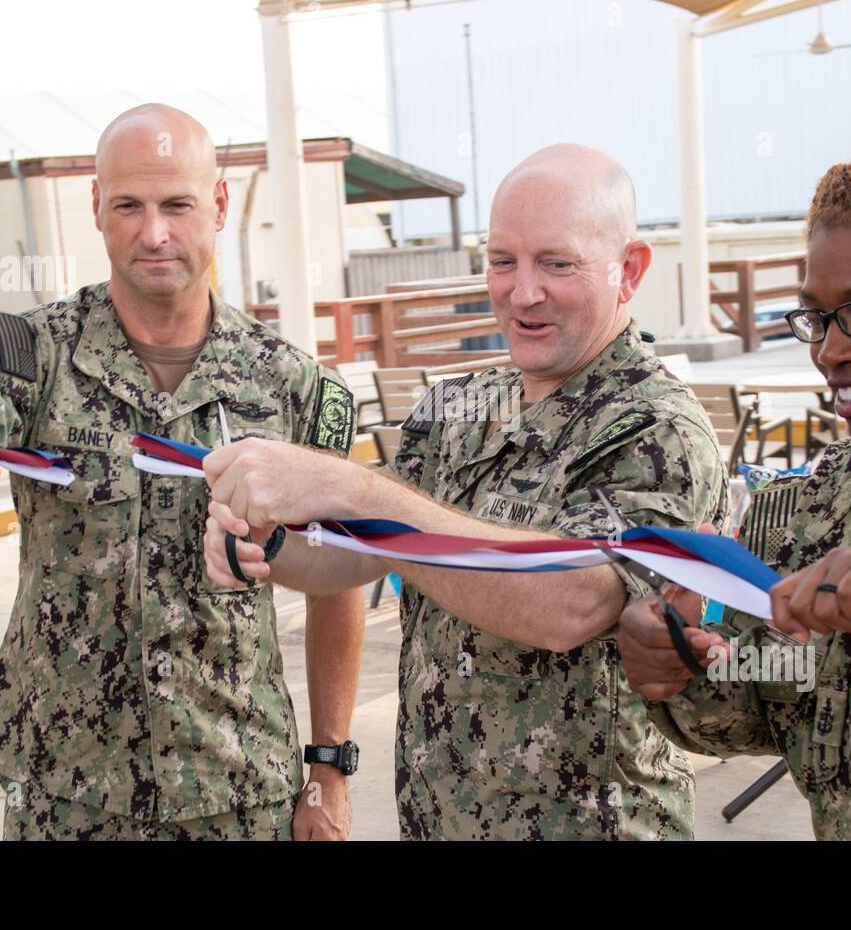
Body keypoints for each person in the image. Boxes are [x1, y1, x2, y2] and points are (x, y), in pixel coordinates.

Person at [0, 104, 365, 841]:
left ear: (219, 206)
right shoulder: (26, 355)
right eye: (128, 204)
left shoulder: (295, 389)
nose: (153, 232)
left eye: (177, 205)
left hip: (236, 788)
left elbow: (342, 581)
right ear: (97, 207)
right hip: (66, 794)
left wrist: (328, 771)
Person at [201, 144, 730, 840]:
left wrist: (353, 487)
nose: (523, 291)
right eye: (502, 260)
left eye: (557, 263)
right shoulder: (459, 408)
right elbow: (356, 557)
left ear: (628, 271)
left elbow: (568, 603)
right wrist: (266, 540)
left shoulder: (658, 430)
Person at [618, 142, 851, 839]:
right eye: (817, 319)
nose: (829, 350)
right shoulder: (817, 502)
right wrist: (678, 666)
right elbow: (769, 712)